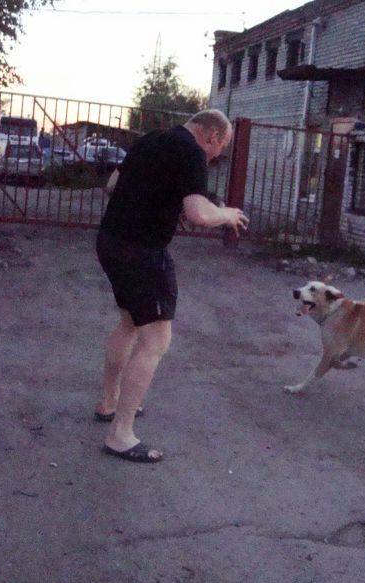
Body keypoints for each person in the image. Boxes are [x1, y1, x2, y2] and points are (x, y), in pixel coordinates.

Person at [94, 109, 249, 463]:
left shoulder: (152, 139)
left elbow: (113, 185)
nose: (216, 156)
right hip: (142, 252)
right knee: (156, 341)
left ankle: (108, 403)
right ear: (211, 135)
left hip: (111, 242)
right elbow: (199, 213)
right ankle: (120, 434)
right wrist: (228, 214)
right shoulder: (192, 151)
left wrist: (161, 202)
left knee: (129, 322)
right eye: (220, 148)